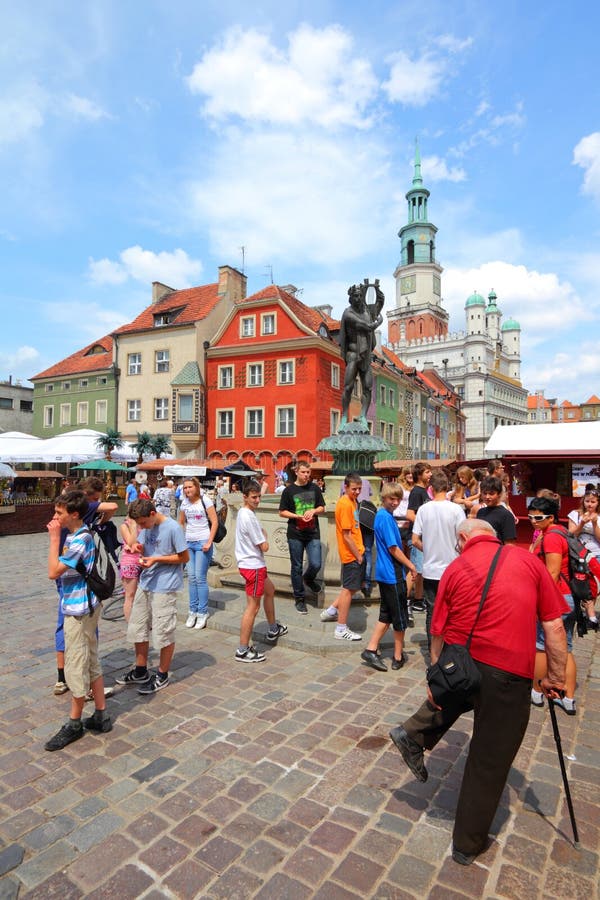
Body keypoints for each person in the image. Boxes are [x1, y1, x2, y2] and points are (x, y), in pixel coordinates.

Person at [389, 518, 567, 866]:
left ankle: (413, 731)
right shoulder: (529, 562)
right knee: (489, 759)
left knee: (457, 692)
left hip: (462, 665)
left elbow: (437, 632)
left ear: (463, 538)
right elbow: (554, 626)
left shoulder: (455, 568)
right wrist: (555, 679)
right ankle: (467, 844)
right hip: (508, 672)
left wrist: (434, 680)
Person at [45, 490, 112, 751]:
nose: (55, 516)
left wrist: (53, 540)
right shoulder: (80, 534)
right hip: (87, 606)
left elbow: (53, 572)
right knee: (92, 659)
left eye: (59, 513)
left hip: (79, 610)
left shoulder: (79, 540)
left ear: (74, 514)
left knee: (76, 665)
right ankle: (101, 714)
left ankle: (74, 723)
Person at [115, 497, 189, 693]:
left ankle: (162, 674)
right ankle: (141, 670)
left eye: (143, 523)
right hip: (146, 582)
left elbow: (184, 557)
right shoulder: (146, 526)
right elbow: (141, 544)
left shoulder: (173, 528)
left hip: (165, 585)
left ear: (152, 514)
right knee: (138, 626)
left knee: (163, 630)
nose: (142, 527)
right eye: (139, 524)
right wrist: (138, 548)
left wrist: (156, 559)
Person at [53, 476, 118, 696]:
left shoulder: (65, 513)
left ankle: (62, 678)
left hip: (65, 576)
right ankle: (86, 687)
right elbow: (114, 506)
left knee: (64, 624)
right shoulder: (80, 512)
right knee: (87, 634)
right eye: (96, 498)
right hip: (79, 577)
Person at [528, 495, 578, 715]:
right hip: (566, 598)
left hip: (556, 598)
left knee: (542, 646)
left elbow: (553, 572)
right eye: (530, 517)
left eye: (538, 518)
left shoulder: (551, 538)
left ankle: (537, 690)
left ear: (550, 517)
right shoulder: (557, 532)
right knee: (564, 647)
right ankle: (568, 696)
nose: (533, 521)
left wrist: (540, 600)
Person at [361, 483, 416, 671]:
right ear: (384, 498)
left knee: (386, 613)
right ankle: (398, 655)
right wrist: (411, 566)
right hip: (393, 575)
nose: (395, 502)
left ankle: (371, 648)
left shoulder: (384, 516)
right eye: (391, 499)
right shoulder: (384, 518)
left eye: (398, 499)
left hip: (386, 574)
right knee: (399, 617)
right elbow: (393, 548)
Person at [235, 479, 287, 662]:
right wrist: (265, 537)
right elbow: (264, 546)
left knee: (270, 590)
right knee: (252, 607)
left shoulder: (243, 511)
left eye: (258, 497)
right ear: (245, 497)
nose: (257, 500)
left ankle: (273, 627)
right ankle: (242, 649)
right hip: (253, 566)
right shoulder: (249, 517)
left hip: (250, 564)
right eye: (254, 497)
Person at [412, 470, 465, 649]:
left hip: (431, 569)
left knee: (432, 613)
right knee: (453, 613)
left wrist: (429, 549)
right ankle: (450, 651)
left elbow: (414, 540)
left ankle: (432, 650)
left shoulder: (423, 510)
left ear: (431, 488)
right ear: (447, 487)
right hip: (453, 569)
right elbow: (463, 539)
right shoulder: (456, 509)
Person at [320, 472, 364, 641]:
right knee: (347, 590)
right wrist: (358, 555)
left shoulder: (352, 501)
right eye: (354, 489)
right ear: (345, 487)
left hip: (355, 552)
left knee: (351, 588)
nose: (357, 492)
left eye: (359, 489)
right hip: (351, 554)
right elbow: (346, 535)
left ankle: (331, 610)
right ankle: (341, 628)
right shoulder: (345, 504)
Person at [279, 462, 325, 614]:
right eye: (304, 472)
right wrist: (297, 515)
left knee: (316, 563)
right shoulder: (289, 490)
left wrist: (313, 511)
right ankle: (299, 598)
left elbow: (322, 507)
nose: (307, 475)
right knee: (296, 567)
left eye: (308, 472)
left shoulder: (315, 488)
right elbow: (282, 512)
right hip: (295, 533)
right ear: (297, 472)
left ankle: (309, 579)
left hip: (313, 532)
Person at [339, 281, 384, 428]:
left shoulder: (366, 311)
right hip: (353, 354)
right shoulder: (348, 314)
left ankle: (363, 416)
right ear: (351, 298)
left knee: (367, 387)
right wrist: (378, 322)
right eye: (356, 296)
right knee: (348, 387)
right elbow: (365, 326)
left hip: (365, 356)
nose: (359, 298)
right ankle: (344, 416)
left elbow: (380, 303)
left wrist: (377, 291)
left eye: (360, 296)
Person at [178, 476, 218, 630]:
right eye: (185, 487)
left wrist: (209, 541)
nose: (188, 490)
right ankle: (192, 611)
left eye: (190, 487)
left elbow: (214, 521)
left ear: (196, 487)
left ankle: (202, 612)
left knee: (200, 578)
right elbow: (181, 522)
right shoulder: (184, 503)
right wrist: (180, 540)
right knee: (192, 578)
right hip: (189, 542)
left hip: (203, 542)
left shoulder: (205, 500)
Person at [568, 488, 600, 626]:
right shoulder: (575, 514)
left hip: (596, 553)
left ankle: (589, 615)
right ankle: (588, 614)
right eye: (587, 501)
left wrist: (594, 523)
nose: (590, 504)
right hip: (578, 553)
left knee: (594, 585)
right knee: (581, 583)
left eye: (593, 502)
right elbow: (571, 535)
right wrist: (582, 523)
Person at [406, 463, 433, 612]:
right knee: (414, 570)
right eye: (428, 472)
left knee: (420, 570)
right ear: (420, 474)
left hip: (423, 537)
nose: (430, 475)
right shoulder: (417, 492)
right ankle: (403, 600)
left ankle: (417, 600)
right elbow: (409, 514)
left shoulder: (424, 491)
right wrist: (425, 523)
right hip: (417, 537)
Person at [474, 476, 516, 544]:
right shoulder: (480, 512)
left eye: (491, 493)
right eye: (484, 493)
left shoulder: (506, 515)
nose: (487, 497)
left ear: (499, 494)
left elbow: (510, 544)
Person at [119, 511, 142, 622]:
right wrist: (133, 526)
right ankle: (131, 623)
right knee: (130, 594)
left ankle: (143, 620)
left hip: (144, 560)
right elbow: (132, 542)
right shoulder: (125, 526)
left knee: (144, 594)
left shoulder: (143, 524)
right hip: (130, 562)